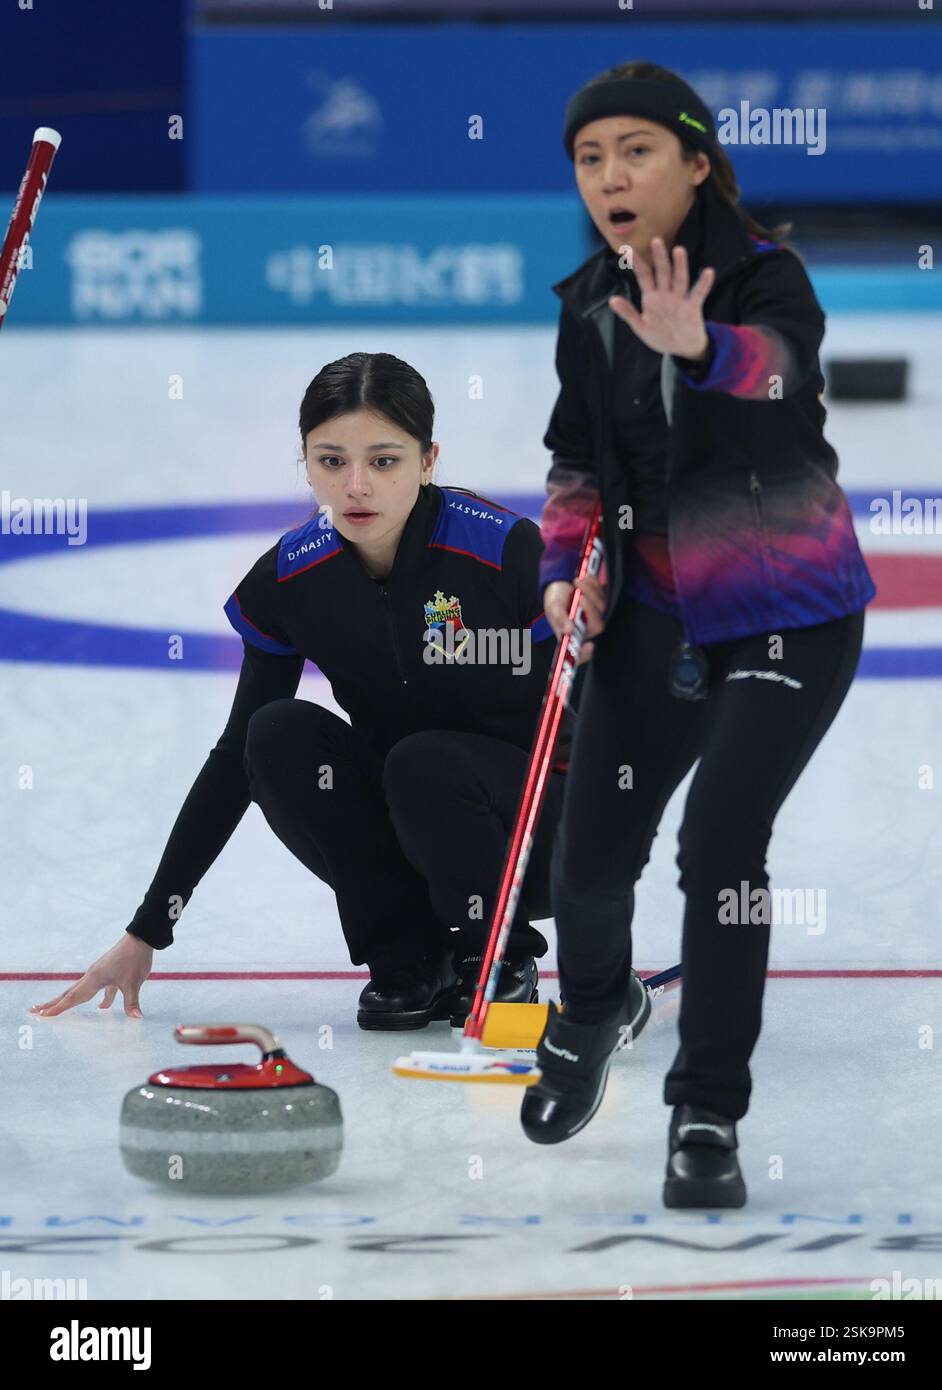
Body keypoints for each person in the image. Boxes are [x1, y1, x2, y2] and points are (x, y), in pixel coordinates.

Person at [519, 62, 876, 1210]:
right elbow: (577, 462)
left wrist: (697, 347)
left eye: (635, 151)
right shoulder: (586, 301)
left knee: (720, 847)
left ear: (694, 164)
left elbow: (778, 380)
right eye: (589, 157)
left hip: (784, 612)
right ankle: (591, 1006)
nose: (610, 176)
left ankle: (705, 1109)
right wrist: (561, 573)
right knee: (587, 857)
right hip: (652, 615)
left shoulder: (770, 280)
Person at [29, 352, 577, 1030]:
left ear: (427, 459)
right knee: (276, 734)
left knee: (423, 761)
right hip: (418, 824)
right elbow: (236, 759)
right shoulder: (294, 576)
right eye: (330, 461)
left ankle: (499, 955)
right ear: (305, 461)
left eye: (383, 461)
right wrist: (147, 929)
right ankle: (409, 957)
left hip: (543, 831)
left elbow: (598, 711)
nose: (355, 487)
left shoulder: (504, 553)